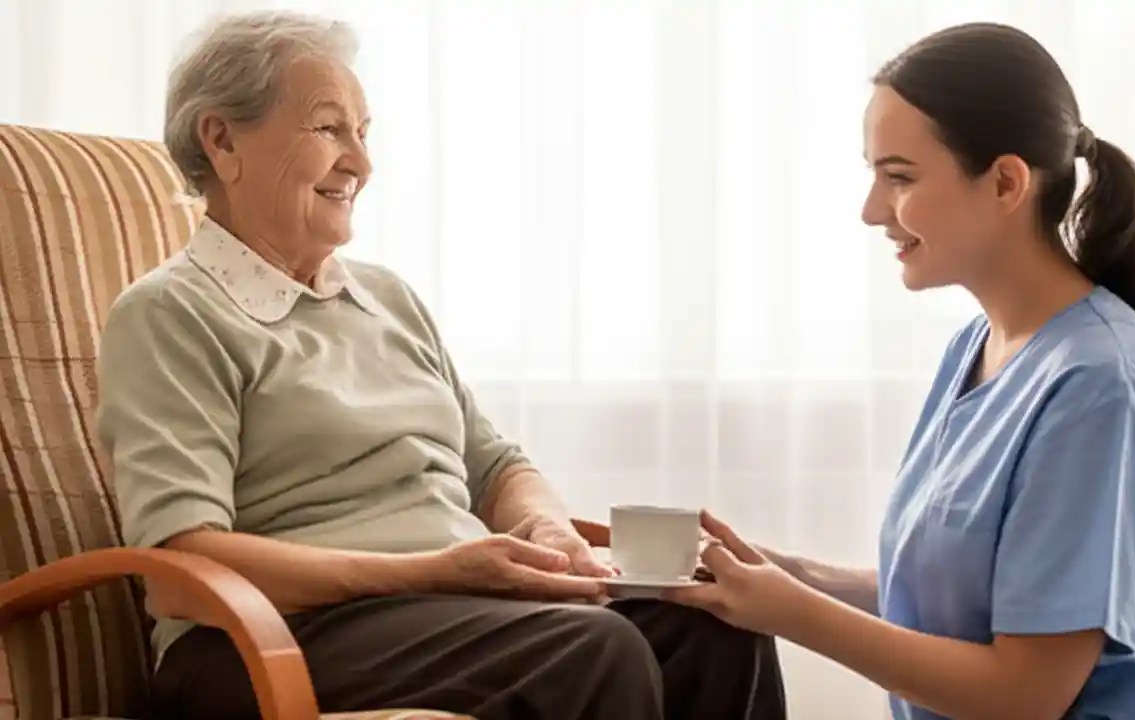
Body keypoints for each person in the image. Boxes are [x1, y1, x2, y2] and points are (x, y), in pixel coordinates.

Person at [95, 11, 784, 720]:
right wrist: (430, 570)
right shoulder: (172, 314)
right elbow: (185, 567)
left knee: (715, 625)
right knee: (593, 647)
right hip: (263, 639)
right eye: (330, 128)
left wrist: (547, 529)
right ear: (222, 138)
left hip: (444, 610)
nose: (360, 163)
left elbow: (495, 467)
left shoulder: (384, 297)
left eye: (364, 134)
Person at [667, 22, 1135, 720]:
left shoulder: (1103, 385)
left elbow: (1025, 694)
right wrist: (782, 576)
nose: (872, 211)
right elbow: (965, 603)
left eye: (898, 177)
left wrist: (790, 614)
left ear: (1004, 182)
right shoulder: (980, 347)